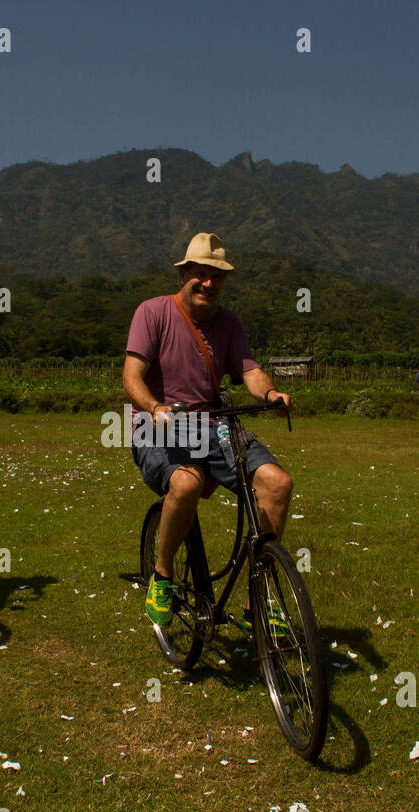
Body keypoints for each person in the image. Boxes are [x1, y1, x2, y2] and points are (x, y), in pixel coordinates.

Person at [123, 233, 293, 627]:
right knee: (185, 484)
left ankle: (259, 597)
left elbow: (248, 369)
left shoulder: (228, 323)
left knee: (276, 483)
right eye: (201, 274)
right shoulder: (152, 312)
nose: (209, 283)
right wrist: (154, 406)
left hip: (211, 425)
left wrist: (269, 392)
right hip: (157, 425)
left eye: (217, 276)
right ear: (183, 275)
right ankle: (162, 576)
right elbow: (131, 376)